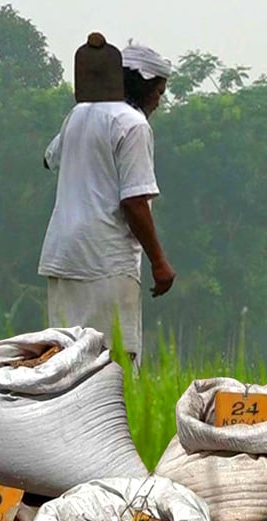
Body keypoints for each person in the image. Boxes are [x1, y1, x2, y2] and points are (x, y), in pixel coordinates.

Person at [39, 41, 176, 362]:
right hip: (105, 260)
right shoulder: (133, 124)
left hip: (63, 256)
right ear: (143, 85)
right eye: (159, 92)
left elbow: (49, 159)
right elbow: (134, 202)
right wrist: (159, 262)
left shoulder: (78, 113)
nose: (158, 101)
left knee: (64, 364)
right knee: (113, 364)